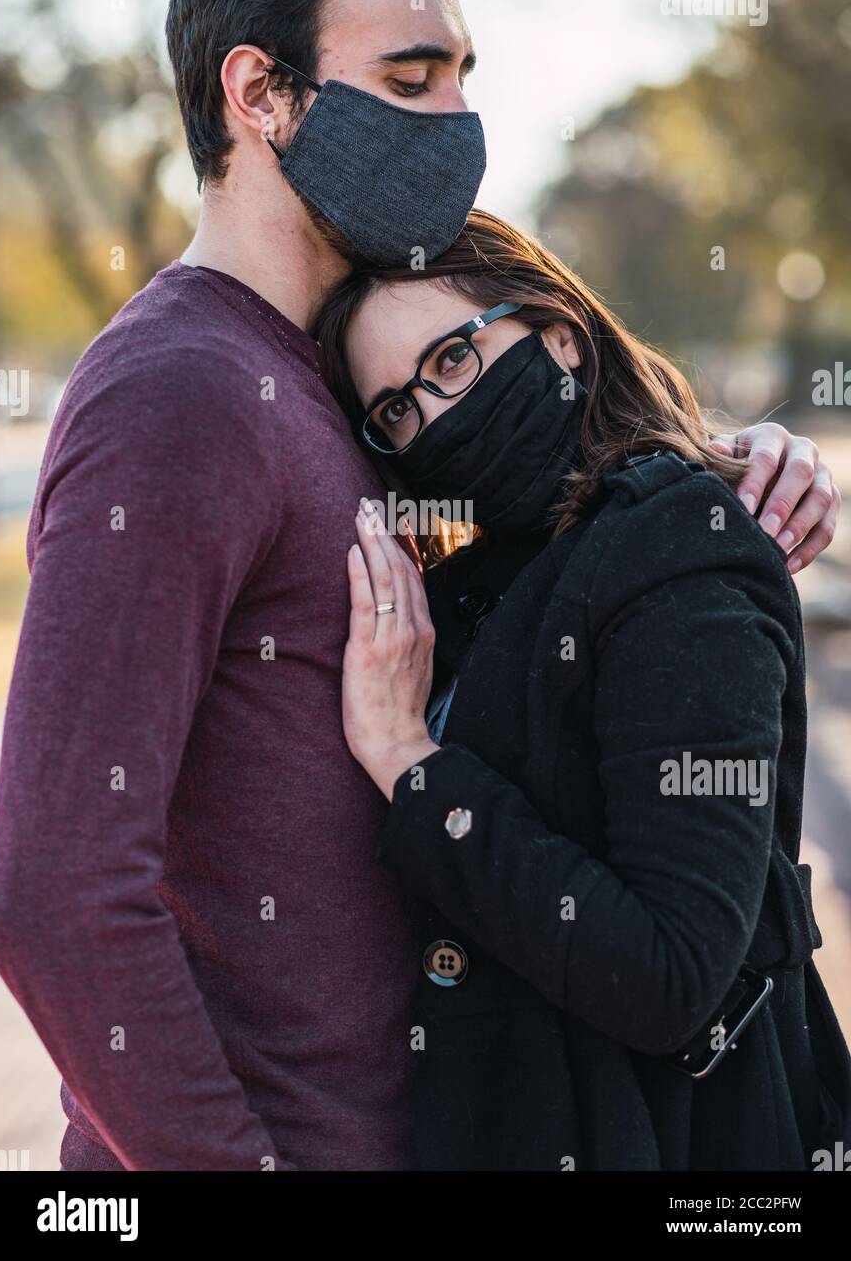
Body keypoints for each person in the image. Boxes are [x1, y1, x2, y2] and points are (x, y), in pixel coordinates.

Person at [0, 0, 840, 1173]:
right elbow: (53, 886)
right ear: (260, 95)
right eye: (411, 75)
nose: (459, 121)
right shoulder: (175, 391)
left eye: (462, 75)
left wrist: (721, 462)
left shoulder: (341, 384)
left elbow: (550, 544)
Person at [312, 209, 851, 1171]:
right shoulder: (487, 582)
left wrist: (409, 762)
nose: (434, 421)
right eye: (397, 411)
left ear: (559, 335)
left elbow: (671, 973)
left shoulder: (679, 548)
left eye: (451, 364)